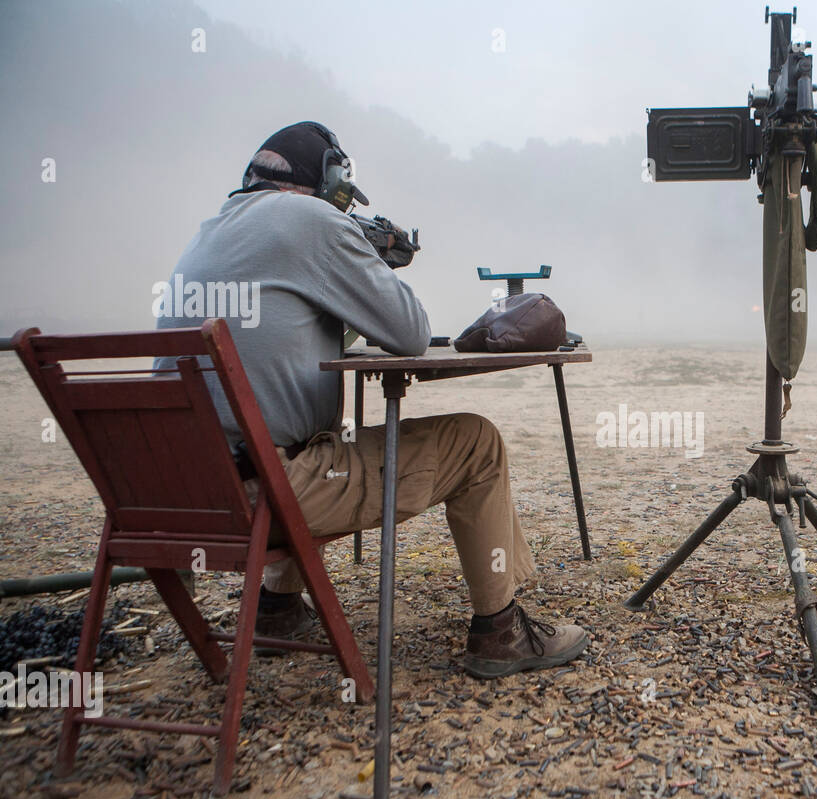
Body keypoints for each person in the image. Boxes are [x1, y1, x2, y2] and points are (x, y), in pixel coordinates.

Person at [154, 121, 587, 678]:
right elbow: (409, 332)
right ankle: (501, 633)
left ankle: (279, 609)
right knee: (476, 441)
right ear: (331, 181)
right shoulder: (313, 220)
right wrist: (366, 257)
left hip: (182, 496)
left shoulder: (209, 229)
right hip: (266, 495)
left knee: (308, 436)